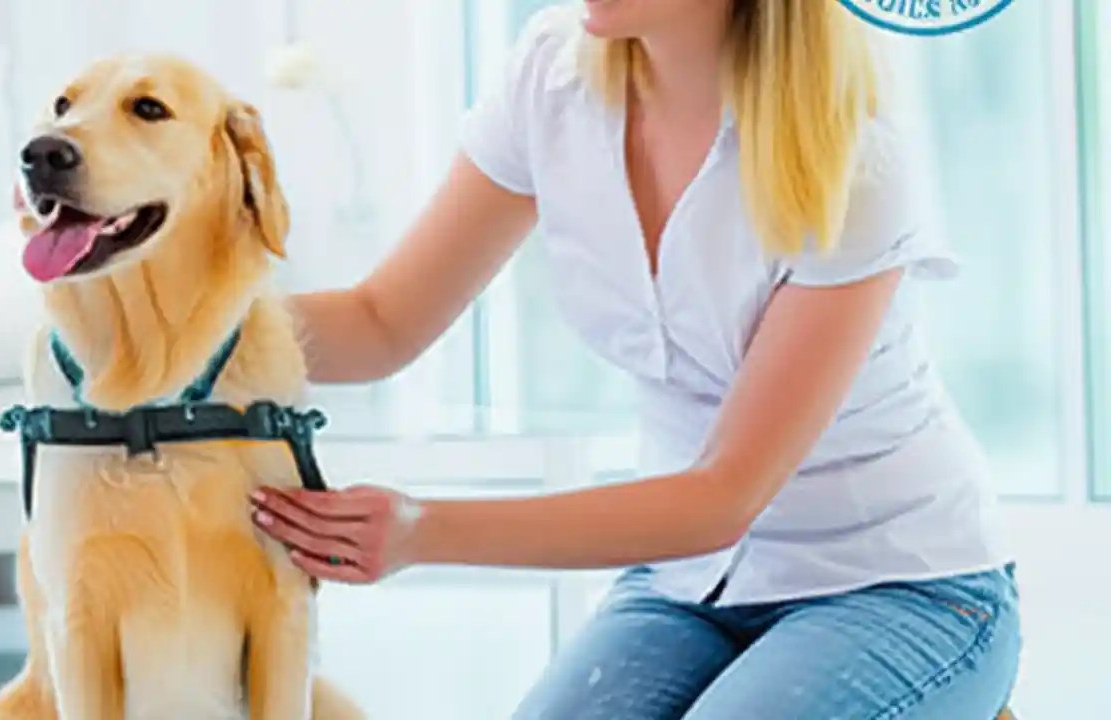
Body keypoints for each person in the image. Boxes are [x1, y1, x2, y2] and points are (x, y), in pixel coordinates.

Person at [249, 1, 1021, 717]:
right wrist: (179, 334)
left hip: (899, 585)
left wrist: (422, 530)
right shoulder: (549, 79)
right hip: (687, 585)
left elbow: (722, 496)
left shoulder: (854, 160)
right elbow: (381, 323)